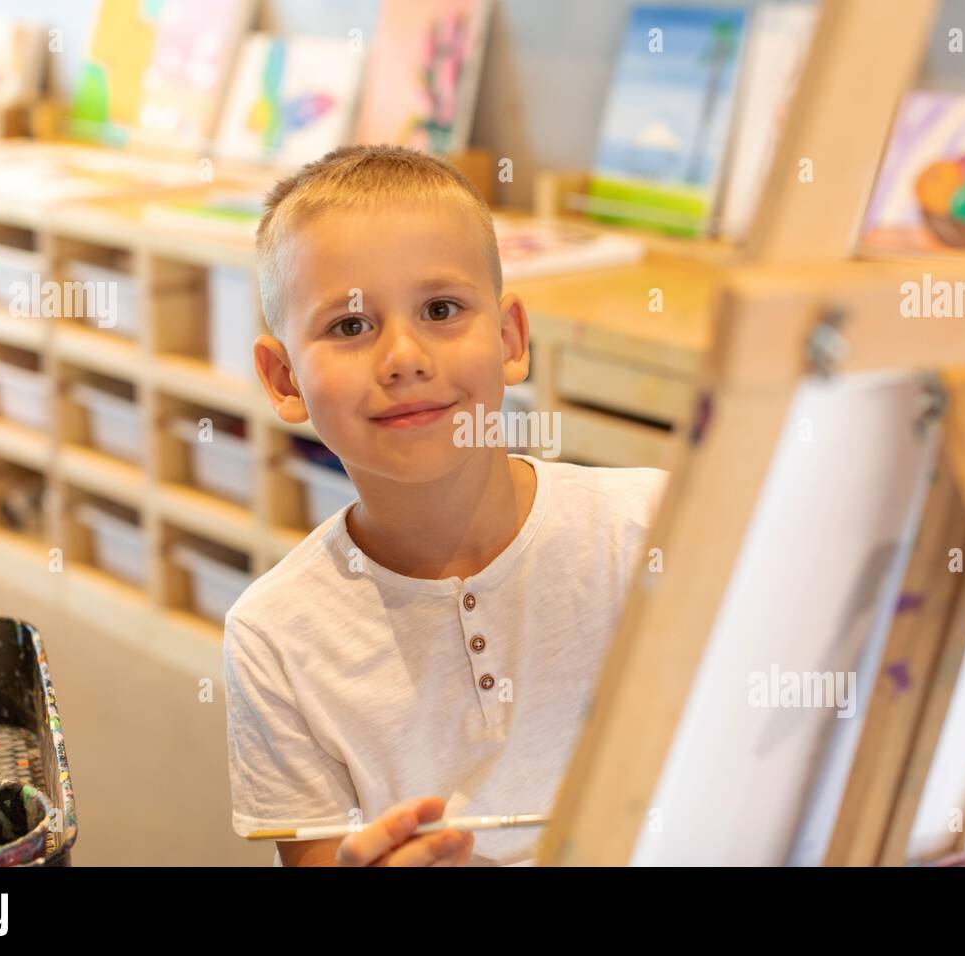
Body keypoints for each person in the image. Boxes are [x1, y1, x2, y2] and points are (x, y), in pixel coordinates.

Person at [224, 144, 668, 866]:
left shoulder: (651, 526)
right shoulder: (272, 637)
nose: (404, 356)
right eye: (349, 326)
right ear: (283, 379)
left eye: (440, 310)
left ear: (509, 339)